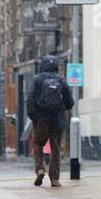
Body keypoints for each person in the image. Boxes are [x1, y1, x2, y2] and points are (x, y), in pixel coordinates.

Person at [26, 55, 74, 187]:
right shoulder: (61, 80)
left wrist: (35, 117)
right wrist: (62, 108)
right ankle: (54, 178)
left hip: (41, 120)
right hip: (57, 120)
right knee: (56, 149)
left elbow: (30, 99)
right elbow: (70, 102)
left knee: (38, 144)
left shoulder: (37, 79)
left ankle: (40, 169)